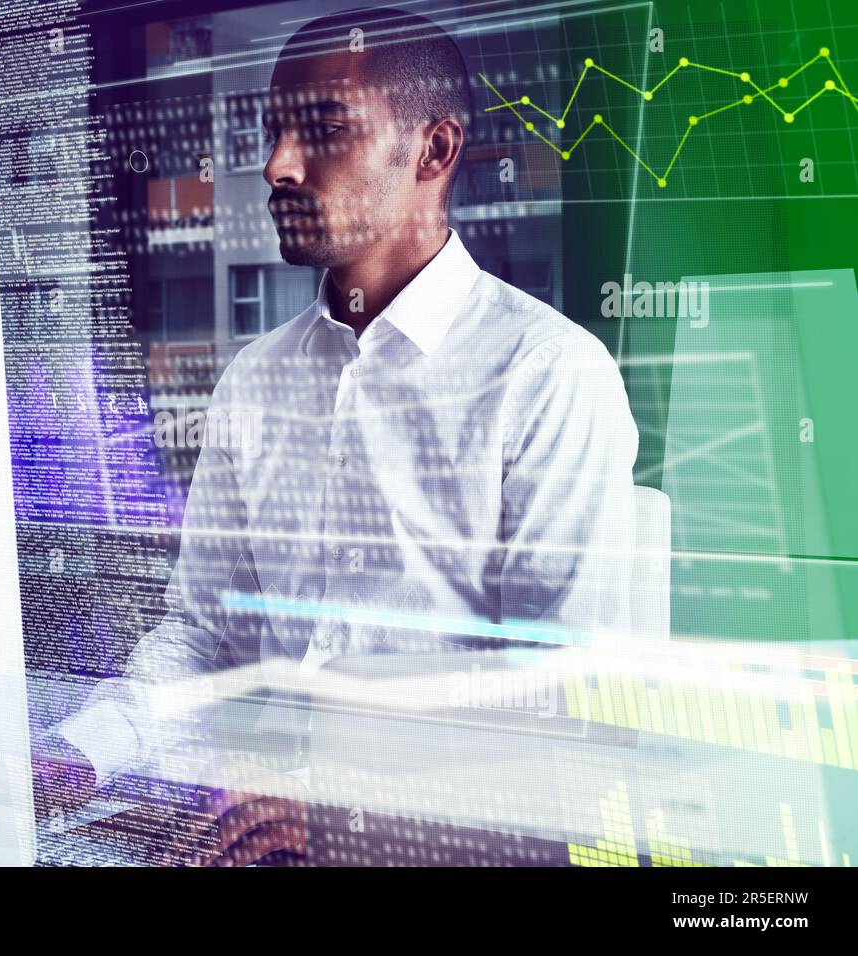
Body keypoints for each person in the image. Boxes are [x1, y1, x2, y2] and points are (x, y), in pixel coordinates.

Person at [35, 6, 639, 865]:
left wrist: (353, 814)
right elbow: (202, 634)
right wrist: (76, 757)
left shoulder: (546, 374)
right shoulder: (257, 379)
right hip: (256, 833)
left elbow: (565, 698)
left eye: (322, 130)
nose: (277, 166)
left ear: (433, 152)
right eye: (273, 132)